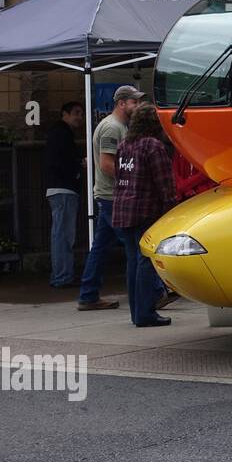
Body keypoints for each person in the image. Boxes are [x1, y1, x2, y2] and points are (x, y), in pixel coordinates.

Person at [76, 85, 142, 311]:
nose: (138, 106)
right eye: (134, 102)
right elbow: (106, 164)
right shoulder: (112, 128)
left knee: (101, 248)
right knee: (135, 246)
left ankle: (88, 294)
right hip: (112, 197)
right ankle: (151, 294)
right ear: (121, 103)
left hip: (109, 196)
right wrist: (131, 181)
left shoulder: (117, 126)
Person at [111, 104, 177, 328]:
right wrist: (171, 207)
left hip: (122, 209)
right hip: (145, 209)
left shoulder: (124, 146)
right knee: (146, 261)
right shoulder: (153, 146)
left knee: (133, 262)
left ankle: (136, 313)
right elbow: (164, 182)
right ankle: (146, 313)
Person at [43, 101, 84, 288]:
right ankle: (62, 276)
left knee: (61, 234)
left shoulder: (57, 133)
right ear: (64, 114)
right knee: (63, 235)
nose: (80, 118)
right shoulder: (62, 134)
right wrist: (78, 167)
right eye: (76, 113)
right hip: (64, 188)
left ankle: (62, 274)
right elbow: (60, 161)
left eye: (81, 114)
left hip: (58, 188)